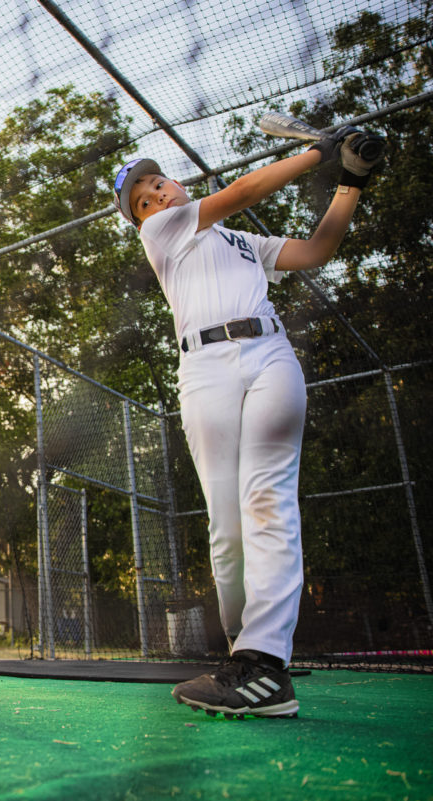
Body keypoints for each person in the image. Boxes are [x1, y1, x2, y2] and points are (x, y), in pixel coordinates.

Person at [113, 127, 384, 718]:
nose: (156, 195)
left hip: (269, 356)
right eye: (142, 199)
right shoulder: (165, 233)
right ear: (142, 218)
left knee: (268, 497)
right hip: (204, 368)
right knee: (227, 526)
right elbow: (238, 191)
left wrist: (349, 181)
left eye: (158, 183)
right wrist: (318, 152)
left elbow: (315, 252)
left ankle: (266, 662)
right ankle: (242, 653)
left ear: (175, 182)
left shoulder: (238, 240)